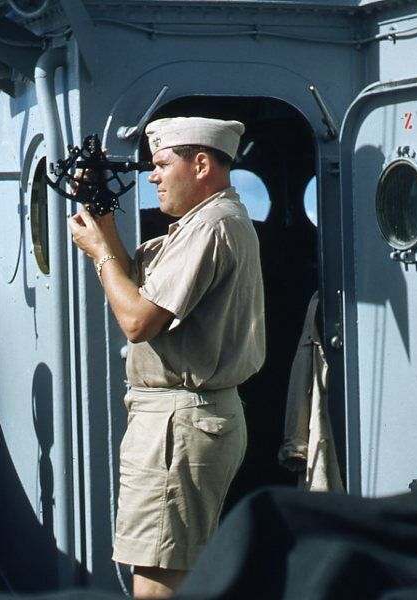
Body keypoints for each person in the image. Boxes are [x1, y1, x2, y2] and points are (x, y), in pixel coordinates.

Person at [68, 116, 266, 598]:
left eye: (160, 164)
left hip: (178, 424)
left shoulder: (213, 225)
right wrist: (104, 220)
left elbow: (137, 319)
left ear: (200, 164)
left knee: (158, 583)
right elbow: (135, 278)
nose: (151, 176)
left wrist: (98, 253)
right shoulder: (203, 223)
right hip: (179, 420)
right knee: (172, 566)